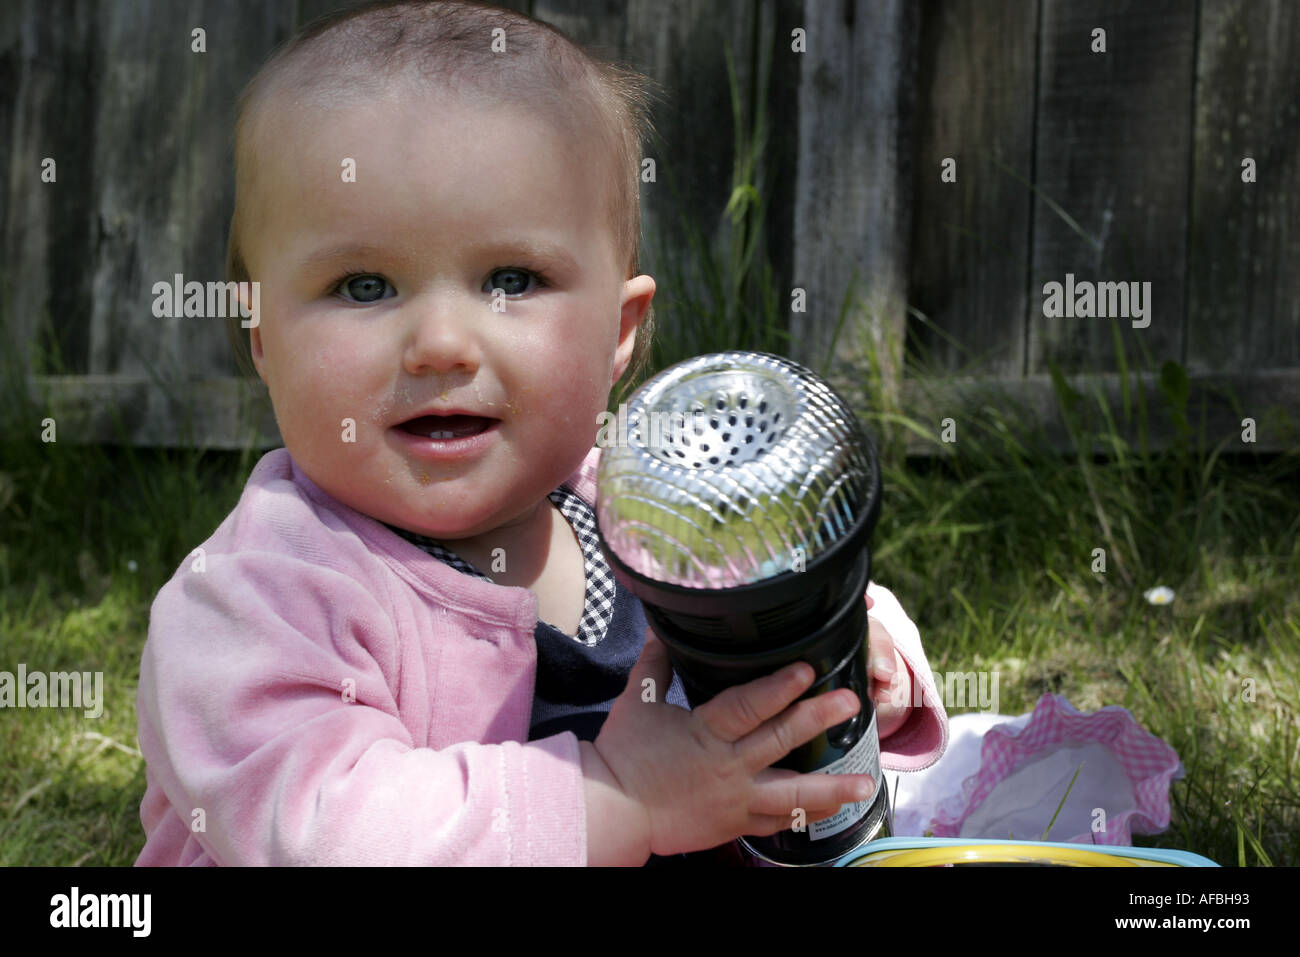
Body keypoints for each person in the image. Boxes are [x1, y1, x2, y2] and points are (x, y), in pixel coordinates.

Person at [135, 0, 948, 867]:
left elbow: (775, 592)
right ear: (262, 335)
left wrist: (854, 663)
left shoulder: (640, 511)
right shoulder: (256, 600)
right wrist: (616, 798)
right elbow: (328, 831)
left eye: (511, 278)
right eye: (364, 286)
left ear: (620, 329)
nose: (442, 344)